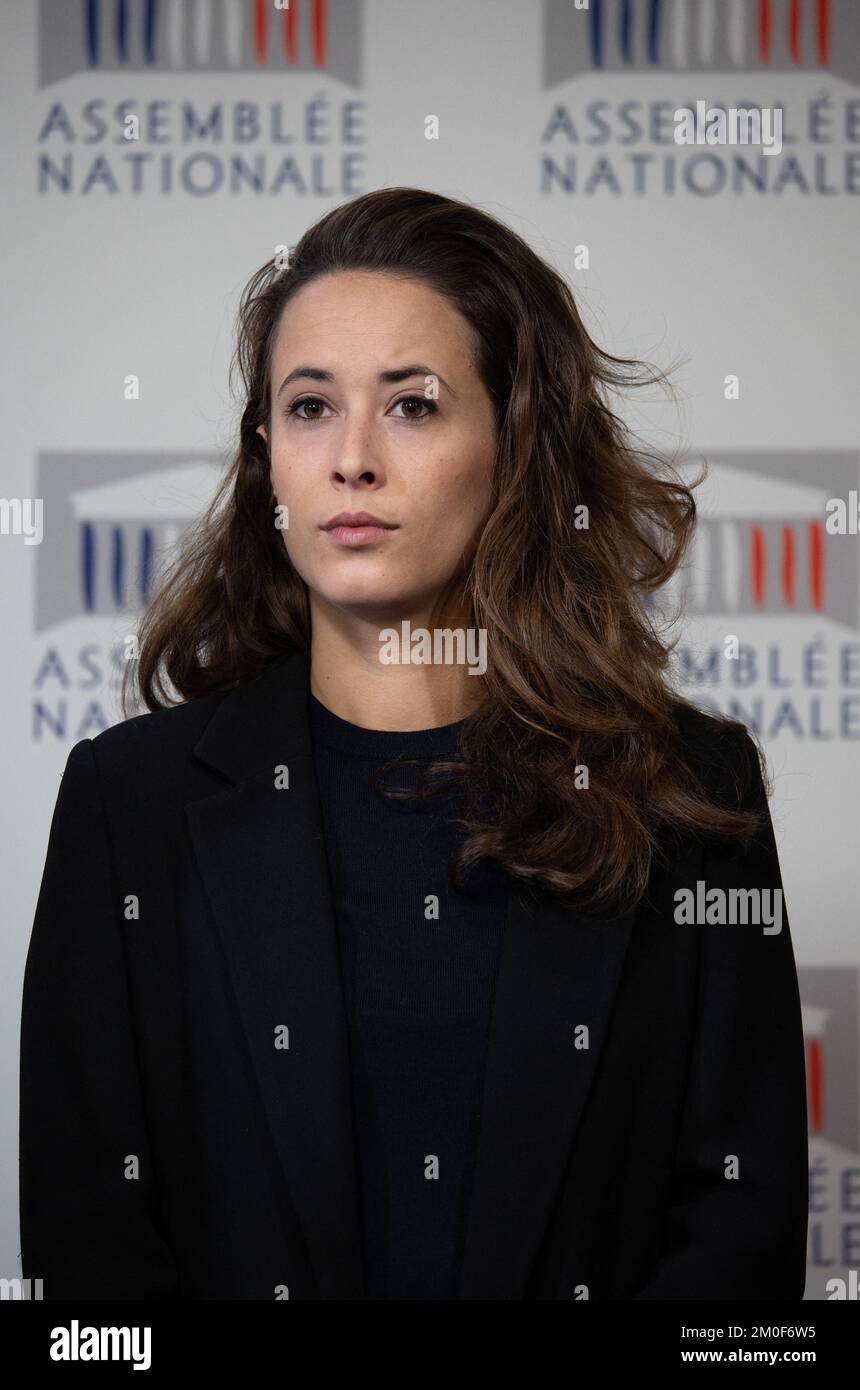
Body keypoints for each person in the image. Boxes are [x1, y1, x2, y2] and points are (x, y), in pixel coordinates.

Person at [19, 186, 808, 1300]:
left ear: (513, 444)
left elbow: (736, 1243)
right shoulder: (128, 804)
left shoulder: (685, 794)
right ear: (265, 459)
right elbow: (89, 1256)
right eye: (307, 407)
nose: (350, 459)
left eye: (412, 406)